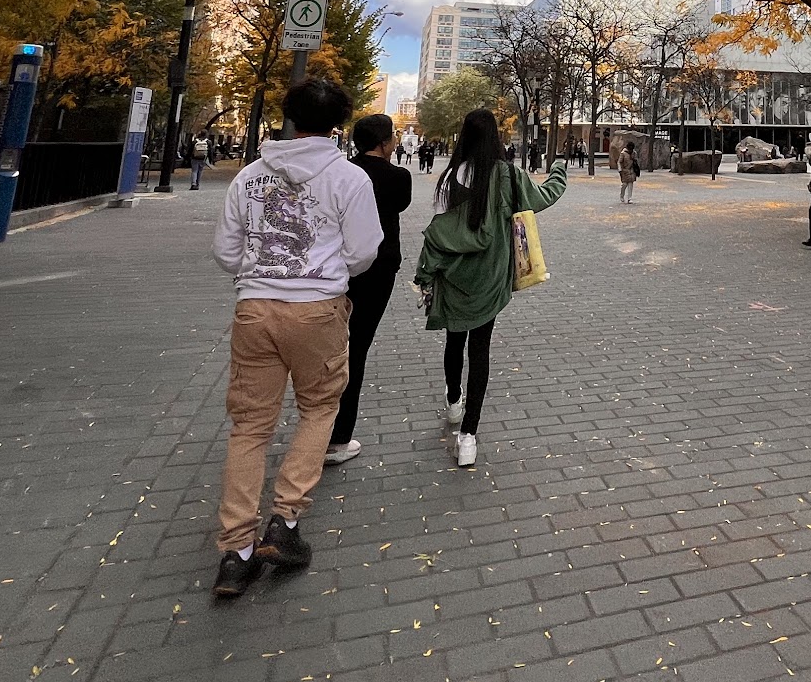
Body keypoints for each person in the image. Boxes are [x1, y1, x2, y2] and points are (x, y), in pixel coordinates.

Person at [209, 79, 381, 600]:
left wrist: (260, 272)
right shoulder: (349, 179)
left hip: (254, 309)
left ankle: (235, 552)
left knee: (250, 425)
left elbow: (224, 249)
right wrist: (322, 274)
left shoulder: (250, 177)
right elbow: (364, 250)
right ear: (340, 122)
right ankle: (285, 520)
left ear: (288, 115)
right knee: (319, 406)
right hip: (317, 310)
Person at [414, 109, 567, 469]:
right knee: (480, 349)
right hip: (490, 277)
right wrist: (559, 171)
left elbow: (439, 227)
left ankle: (454, 403)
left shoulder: (450, 177)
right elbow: (543, 198)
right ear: (496, 137)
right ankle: (468, 436)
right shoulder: (509, 175)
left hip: (452, 277)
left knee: (455, 340)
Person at [325, 113, 415, 466]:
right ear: (383, 141)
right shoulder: (397, 177)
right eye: (392, 137)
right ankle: (339, 437)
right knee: (357, 346)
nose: (395, 142)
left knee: (331, 346)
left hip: (335, 268)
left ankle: (319, 423)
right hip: (378, 269)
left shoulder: (343, 173)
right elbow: (400, 205)